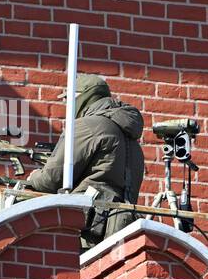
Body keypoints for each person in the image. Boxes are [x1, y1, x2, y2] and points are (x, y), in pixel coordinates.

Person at [25, 73, 145, 249]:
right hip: (120, 229)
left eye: (68, 99)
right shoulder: (132, 141)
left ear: (82, 97)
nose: (67, 106)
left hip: (86, 228)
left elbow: (50, 180)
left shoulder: (86, 126)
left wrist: (34, 177)